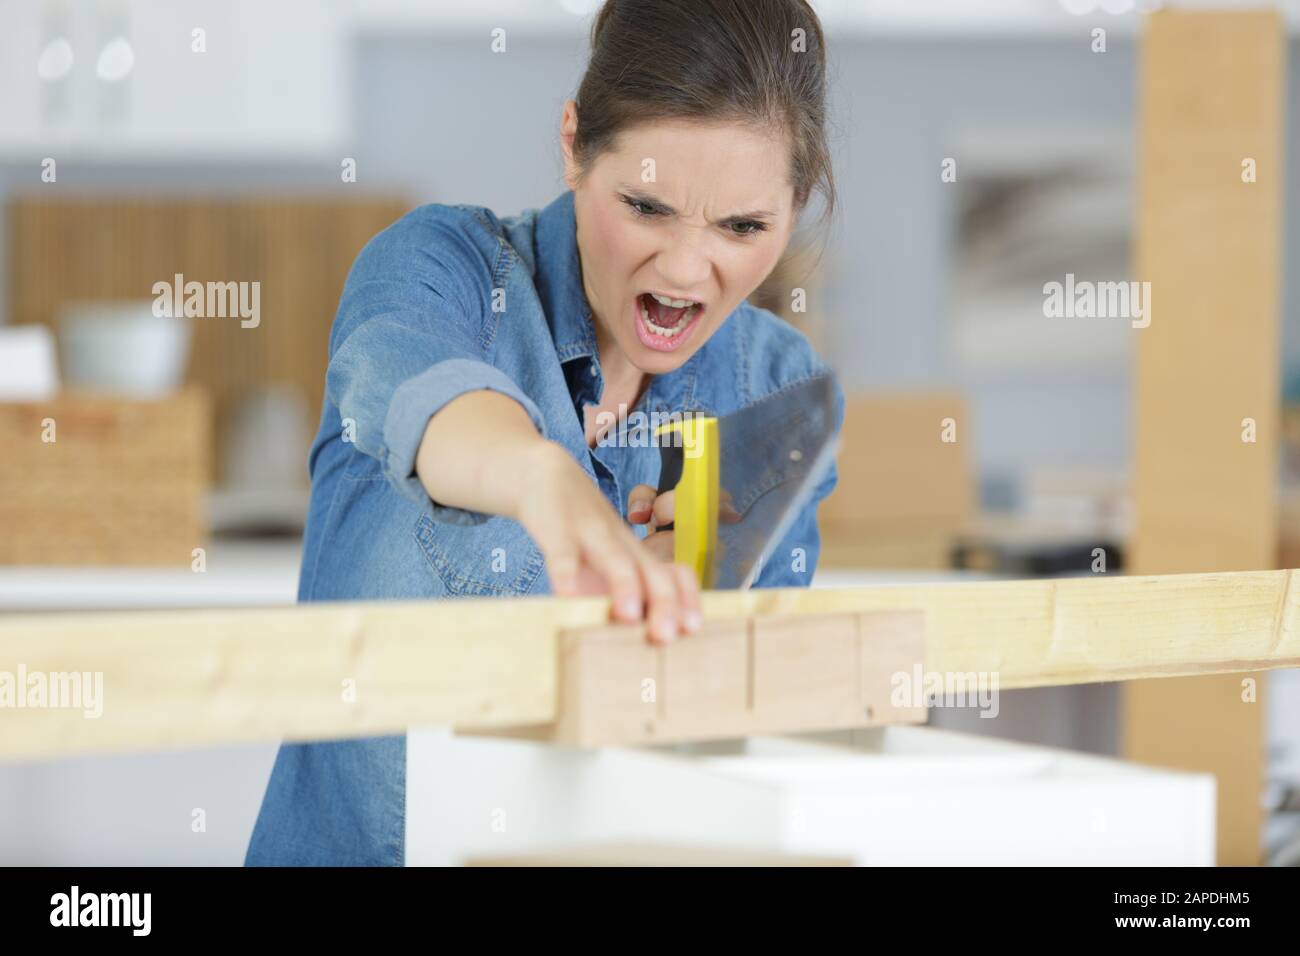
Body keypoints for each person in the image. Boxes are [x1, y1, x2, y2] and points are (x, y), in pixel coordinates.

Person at [246, 0, 843, 866]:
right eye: (645, 206)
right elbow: (426, 399)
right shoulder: (434, 270)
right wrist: (542, 480)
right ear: (572, 145)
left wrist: (692, 603)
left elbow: (747, 746)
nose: (684, 269)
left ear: (796, 206)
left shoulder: (778, 394)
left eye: (742, 227)